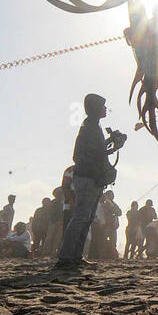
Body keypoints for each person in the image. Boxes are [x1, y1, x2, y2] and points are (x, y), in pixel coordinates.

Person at [57, 93, 126, 268]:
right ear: (96, 108)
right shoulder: (90, 128)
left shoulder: (92, 127)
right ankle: (66, 256)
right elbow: (83, 156)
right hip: (88, 179)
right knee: (81, 217)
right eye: (103, 106)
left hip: (92, 179)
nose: (105, 109)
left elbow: (95, 153)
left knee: (86, 219)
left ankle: (76, 256)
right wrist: (110, 147)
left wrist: (110, 145)